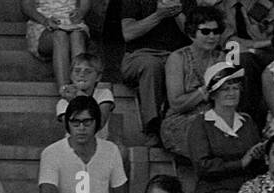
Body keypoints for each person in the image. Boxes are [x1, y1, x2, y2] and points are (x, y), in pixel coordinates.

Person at [189, 63, 267, 193]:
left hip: (247, 189)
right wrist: (240, 163)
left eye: (235, 88)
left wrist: (260, 154)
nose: (231, 93)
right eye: (225, 89)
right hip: (215, 192)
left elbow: (256, 162)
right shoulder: (201, 123)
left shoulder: (247, 121)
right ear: (213, 93)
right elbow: (203, 166)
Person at [157, 5, 229, 158]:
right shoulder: (178, 58)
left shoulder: (221, 58)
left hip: (216, 119)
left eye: (216, 31)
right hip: (181, 121)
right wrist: (206, 89)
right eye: (205, 31)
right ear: (192, 33)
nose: (212, 36)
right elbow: (177, 104)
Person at [121, 0, 190, 146]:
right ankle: (152, 128)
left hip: (176, 56)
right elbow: (128, 33)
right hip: (140, 56)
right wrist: (159, 15)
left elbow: (195, 33)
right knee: (151, 65)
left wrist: (177, 13)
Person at [23, 0, 90, 91]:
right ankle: (65, 92)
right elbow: (26, 6)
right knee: (60, 36)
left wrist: (80, 13)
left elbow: (85, 4)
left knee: (77, 35)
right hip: (43, 24)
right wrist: (45, 21)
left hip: (72, 22)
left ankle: (81, 93)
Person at [55, 52, 115, 133]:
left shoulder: (104, 94)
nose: (82, 74)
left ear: (98, 77)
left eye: (88, 71)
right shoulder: (63, 103)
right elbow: (72, 130)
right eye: (77, 71)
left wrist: (80, 97)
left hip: (100, 142)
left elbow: (99, 124)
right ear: (71, 75)